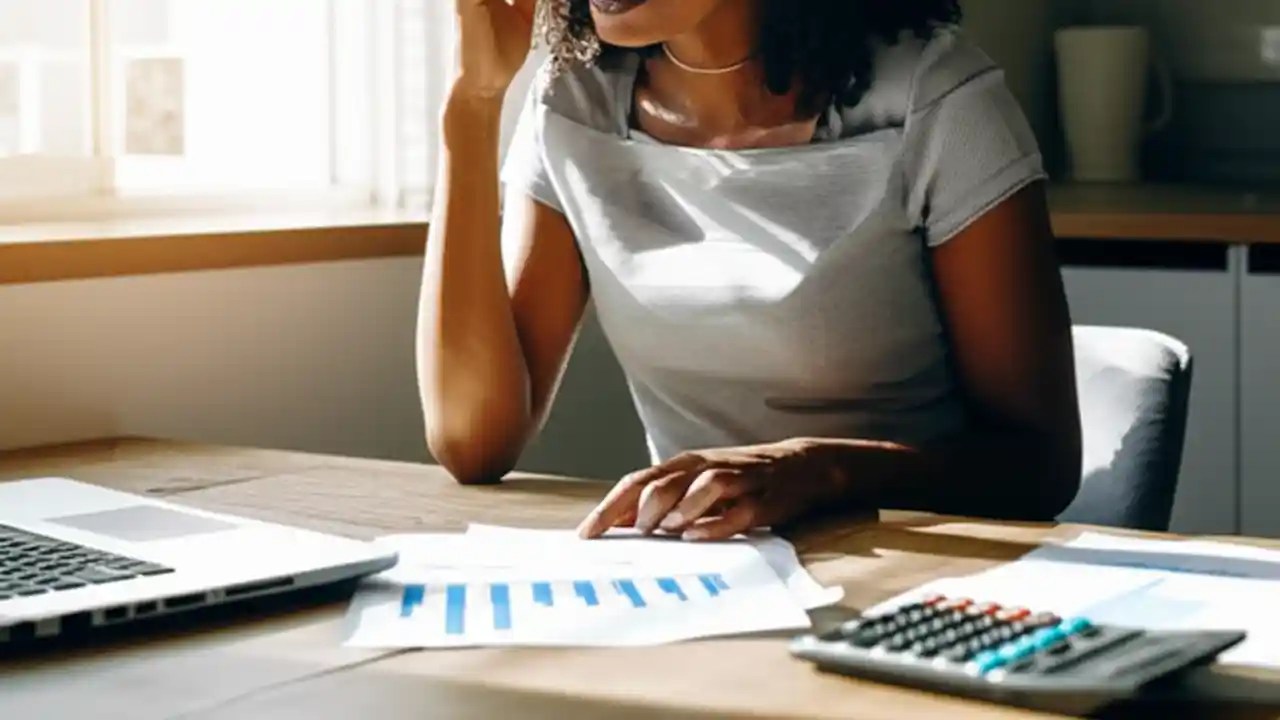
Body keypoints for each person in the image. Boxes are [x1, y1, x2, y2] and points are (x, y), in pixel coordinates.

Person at [419, 0, 1082, 542]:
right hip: (703, 582)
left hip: (922, 572)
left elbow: (1038, 466)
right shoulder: (572, 104)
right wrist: (474, 104)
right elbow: (473, 441)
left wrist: (820, 471)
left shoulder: (936, 100)